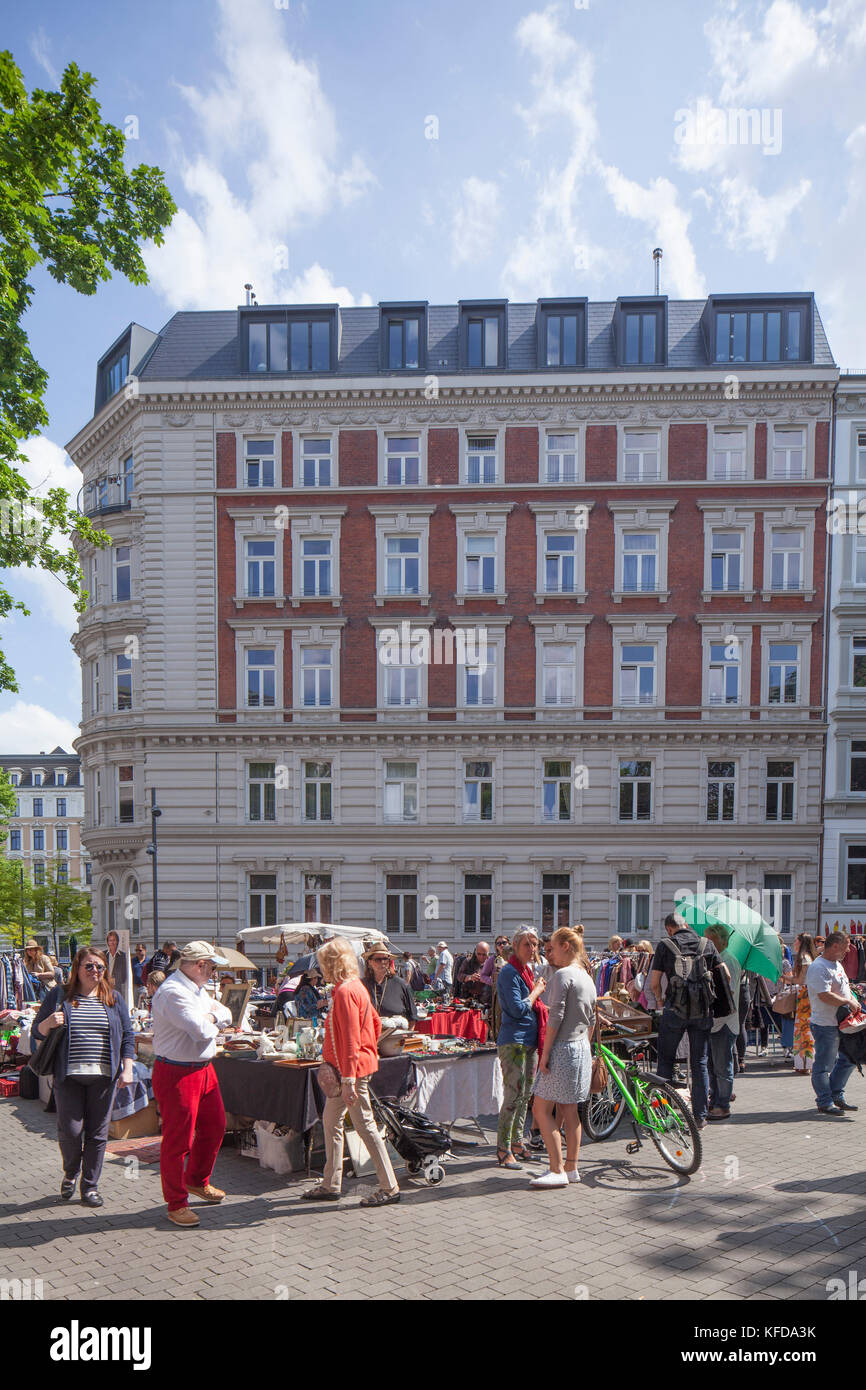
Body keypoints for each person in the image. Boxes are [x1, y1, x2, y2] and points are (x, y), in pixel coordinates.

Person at [303, 937, 401, 1208]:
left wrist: (348, 1078)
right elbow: (375, 1024)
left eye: (323, 964)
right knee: (331, 1122)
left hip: (349, 1071)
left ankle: (389, 1186)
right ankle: (330, 1183)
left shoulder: (345, 991)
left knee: (365, 1126)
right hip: (350, 1068)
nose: (321, 970)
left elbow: (349, 1039)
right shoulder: (355, 987)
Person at [32, 947, 135, 1207]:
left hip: (103, 1078)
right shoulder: (59, 996)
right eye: (89, 966)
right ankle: (70, 1172)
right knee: (71, 1131)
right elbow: (37, 1031)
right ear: (76, 968)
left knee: (98, 1135)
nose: (95, 971)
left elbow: (127, 1036)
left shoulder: (113, 998)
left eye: (100, 967)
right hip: (69, 1076)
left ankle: (89, 1186)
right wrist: (49, 1023)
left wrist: (128, 1067)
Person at [150, 941, 233, 1227]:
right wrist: (213, 1018)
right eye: (210, 966)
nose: (212, 972)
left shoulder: (192, 989)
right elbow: (202, 1030)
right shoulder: (174, 991)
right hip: (177, 1072)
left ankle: (197, 1180)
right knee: (178, 1141)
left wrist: (212, 1017)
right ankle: (176, 1203)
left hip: (201, 1068)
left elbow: (227, 1012)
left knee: (215, 1125)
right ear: (200, 965)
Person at [528, 927, 596, 1189]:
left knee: (540, 1109)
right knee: (569, 1110)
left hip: (562, 1047)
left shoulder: (562, 975)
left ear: (566, 946)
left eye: (552, 948)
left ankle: (556, 1168)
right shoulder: (586, 977)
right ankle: (571, 1166)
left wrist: (545, 1054)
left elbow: (555, 1018)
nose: (549, 954)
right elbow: (591, 1020)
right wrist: (585, 1050)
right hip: (580, 1047)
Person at [649, 911, 720, 1129]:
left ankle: (664, 1114)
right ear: (686, 925)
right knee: (699, 1063)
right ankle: (699, 1116)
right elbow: (723, 974)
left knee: (666, 1061)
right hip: (702, 1011)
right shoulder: (706, 944)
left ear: (669, 928)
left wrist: (660, 1001)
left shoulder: (665, 945)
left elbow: (654, 982)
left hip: (675, 1011)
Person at [495, 925, 548, 1169]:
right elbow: (517, 1009)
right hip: (513, 1041)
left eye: (535, 944)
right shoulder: (509, 972)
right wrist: (537, 991)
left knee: (526, 1095)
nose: (532, 948)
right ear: (515, 946)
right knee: (513, 1095)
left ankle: (517, 1142)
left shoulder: (525, 971)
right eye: (527, 944)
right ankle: (503, 1148)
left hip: (529, 1040)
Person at [806, 931, 859, 1116]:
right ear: (835, 945)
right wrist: (848, 1002)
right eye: (846, 947)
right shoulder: (818, 966)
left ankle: (836, 1095)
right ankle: (825, 1101)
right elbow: (824, 995)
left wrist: (853, 998)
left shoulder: (836, 964)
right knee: (823, 1065)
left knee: (850, 1058)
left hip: (842, 1022)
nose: (848, 951)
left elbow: (844, 987)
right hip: (825, 1024)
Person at [705, 924, 740, 1121]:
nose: (707, 944)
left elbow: (729, 992)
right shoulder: (715, 959)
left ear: (722, 941)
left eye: (711, 940)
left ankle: (723, 1105)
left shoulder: (729, 961)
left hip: (725, 1022)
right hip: (714, 1021)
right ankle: (715, 1099)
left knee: (722, 1066)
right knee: (712, 1066)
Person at [362, 945, 416, 1022]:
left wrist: (408, 1034)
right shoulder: (362, 985)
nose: (382, 962)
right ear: (370, 962)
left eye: (385, 959)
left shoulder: (400, 984)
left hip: (396, 1033)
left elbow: (412, 1015)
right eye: (378, 959)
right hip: (369, 1032)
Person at [790, 933, 815, 1075]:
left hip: (804, 995)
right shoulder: (810, 957)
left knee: (803, 1029)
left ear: (800, 942)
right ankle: (805, 1063)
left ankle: (804, 1064)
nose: (794, 942)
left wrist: (785, 978)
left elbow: (800, 979)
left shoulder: (803, 958)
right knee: (805, 1029)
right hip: (807, 994)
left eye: (796, 940)